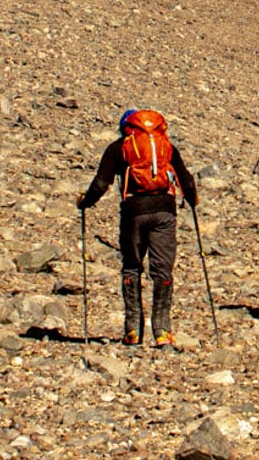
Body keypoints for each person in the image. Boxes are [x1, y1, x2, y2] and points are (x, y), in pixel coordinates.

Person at [76, 109, 196, 347]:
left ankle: (133, 330)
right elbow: (186, 179)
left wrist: (85, 202)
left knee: (131, 267)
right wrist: (192, 200)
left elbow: (101, 183)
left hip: (133, 211)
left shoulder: (119, 147)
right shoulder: (165, 146)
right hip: (165, 209)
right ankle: (162, 330)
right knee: (162, 270)